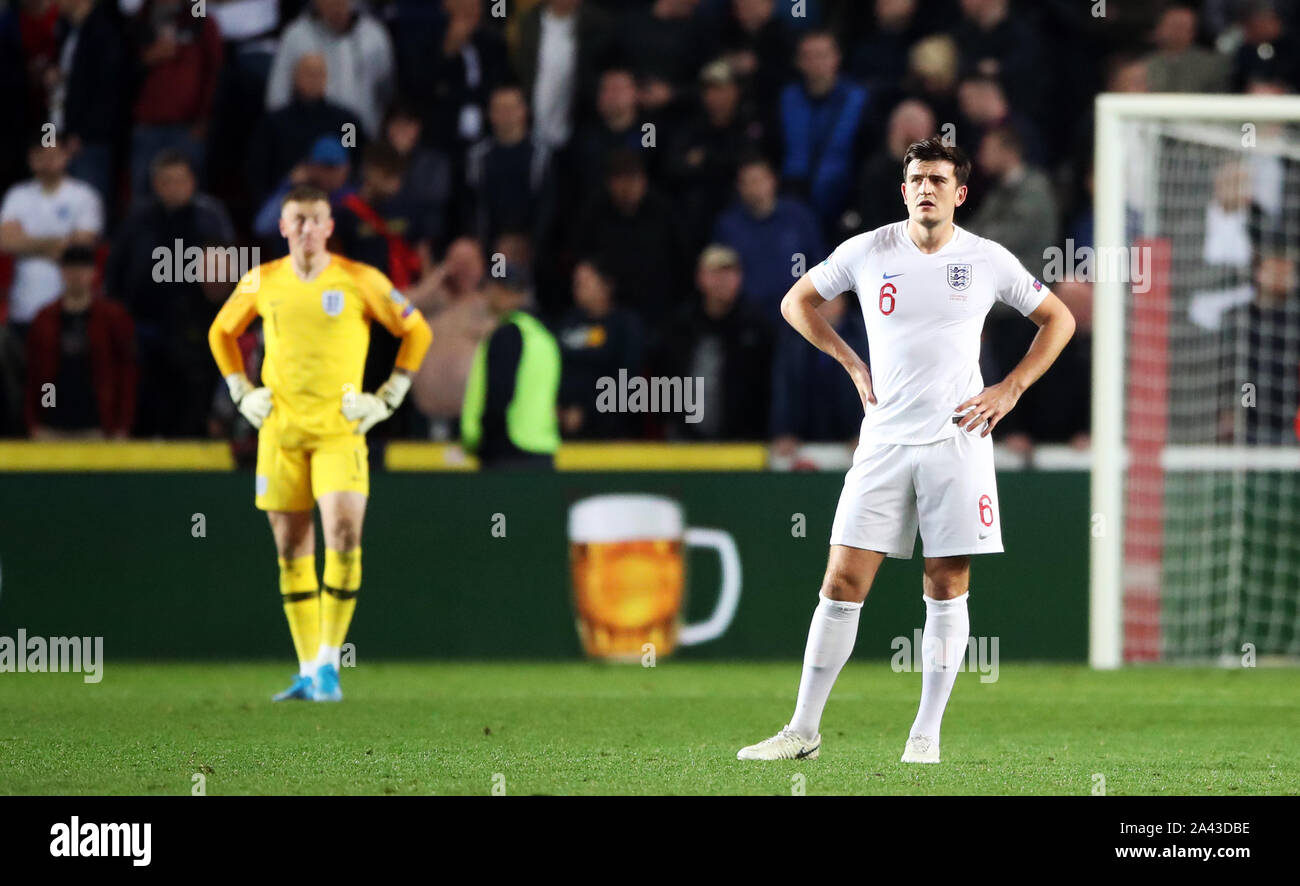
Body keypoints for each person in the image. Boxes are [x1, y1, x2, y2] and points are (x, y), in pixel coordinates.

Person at [737, 137, 1075, 764]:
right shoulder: (868, 250)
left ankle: (925, 735)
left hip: (958, 441)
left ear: (960, 193)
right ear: (903, 190)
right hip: (884, 439)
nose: (926, 189)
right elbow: (796, 302)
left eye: (939, 180)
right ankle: (803, 731)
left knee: (946, 585)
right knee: (841, 580)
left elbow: (1060, 318)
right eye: (917, 178)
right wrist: (848, 361)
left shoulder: (988, 259)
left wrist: (1011, 387)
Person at [206, 184, 433, 703]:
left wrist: (389, 396)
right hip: (281, 431)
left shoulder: (360, 279)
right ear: (283, 227)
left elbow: (416, 331)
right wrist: (241, 391)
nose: (307, 229)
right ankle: (308, 668)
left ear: (330, 227)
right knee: (290, 548)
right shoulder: (262, 281)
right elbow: (221, 333)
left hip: (339, 430)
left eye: (315, 219)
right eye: (297, 220)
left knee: (346, 534)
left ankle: (330, 662)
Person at [25, 244, 136, 438]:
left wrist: (122, 425)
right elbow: (35, 375)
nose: (76, 275)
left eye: (82, 268)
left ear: (93, 273)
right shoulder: (44, 318)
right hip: (52, 426)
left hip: (97, 427)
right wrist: (35, 422)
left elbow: (126, 373)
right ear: (62, 272)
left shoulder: (112, 317)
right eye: (71, 268)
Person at [460, 264, 560, 470]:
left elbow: (499, 394)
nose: (487, 294)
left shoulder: (507, 335)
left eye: (491, 287)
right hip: (542, 450)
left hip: (508, 452)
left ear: (503, 291)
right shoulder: (543, 337)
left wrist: (486, 443)